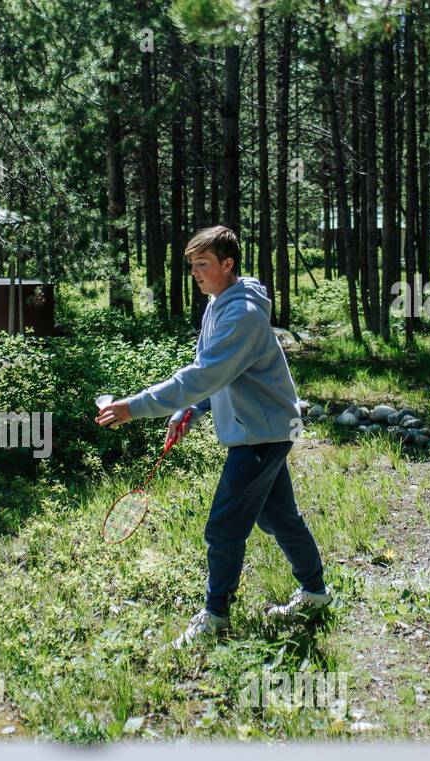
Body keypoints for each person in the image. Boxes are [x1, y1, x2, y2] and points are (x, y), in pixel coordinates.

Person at [95, 226, 331, 646]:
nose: (195, 273)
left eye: (203, 264)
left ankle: (216, 615)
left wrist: (134, 407)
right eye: (191, 265)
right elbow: (214, 375)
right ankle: (315, 592)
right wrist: (191, 408)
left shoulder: (242, 315)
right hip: (266, 429)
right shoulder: (220, 304)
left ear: (227, 264)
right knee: (277, 517)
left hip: (260, 435)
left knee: (223, 527)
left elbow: (202, 375)